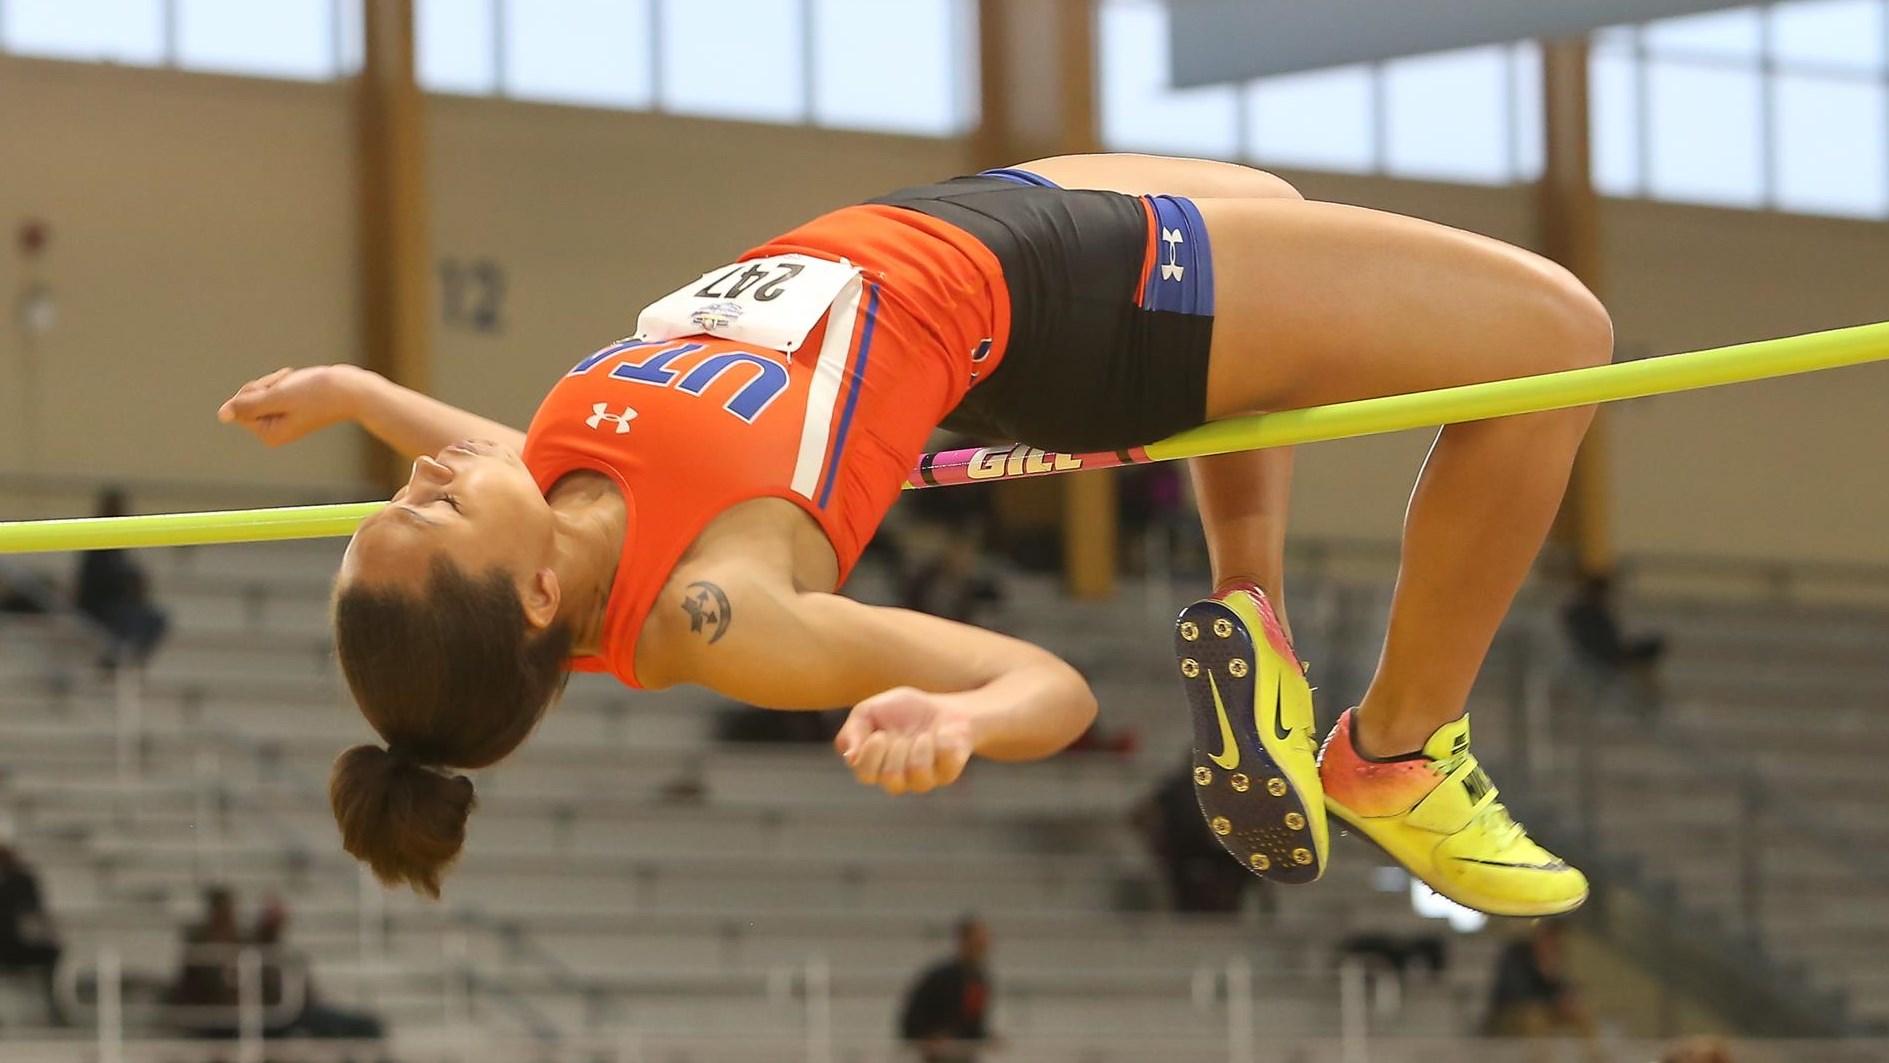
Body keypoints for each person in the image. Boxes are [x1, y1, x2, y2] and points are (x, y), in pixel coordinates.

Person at [217, 153, 1609, 911]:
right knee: (1560, 338)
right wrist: (957, 723)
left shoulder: (560, 502)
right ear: (530, 594)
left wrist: (350, 390)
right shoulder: (718, 609)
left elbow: (487, 456)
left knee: (1269, 206)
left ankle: (1254, 608)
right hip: (1053, 304)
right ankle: (1394, 754)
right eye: (426, 504)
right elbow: (1044, 689)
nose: (420, 475)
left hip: (936, 232)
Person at [74, 488, 169, 669]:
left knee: (153, 619)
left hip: (114, 605)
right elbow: (98, 579)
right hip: (98, 606)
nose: (120, 512)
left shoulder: (118, 543)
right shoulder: (95, 540)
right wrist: (130, 580)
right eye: (116, 509)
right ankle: (114, 657)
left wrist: (134, 582)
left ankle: (123, 656)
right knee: (142, 619)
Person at [1484, 921, 1599, 1044]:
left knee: (1580, 1014)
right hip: (1510, 1011)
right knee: (1534, 1018)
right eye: (1552, 939)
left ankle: (1595, 1057)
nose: (1556, 944)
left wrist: (1565, 997)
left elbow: (1559, 989)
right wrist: (1551, 998)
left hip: (1544, 1009)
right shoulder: (1516, 954)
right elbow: (1516, 992)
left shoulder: (1554, 958)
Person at [898, 917, 993, 1063]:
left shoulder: (979, 980)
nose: (984, 943)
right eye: (979, 938)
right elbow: (913, 1013)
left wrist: (986, 1037)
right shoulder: (940, 977)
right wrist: (928, 1035)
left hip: (964, 1054)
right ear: (964, 940)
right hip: (938, 1056)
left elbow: (974, 1022)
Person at [0, 845, 63, 1026]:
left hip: (14, 944)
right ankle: (53, 1008)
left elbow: (34, 914)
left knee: (53, 952)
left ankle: (53, 1006)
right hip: (11, 944)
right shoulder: (23, 880)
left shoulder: (23, 881)